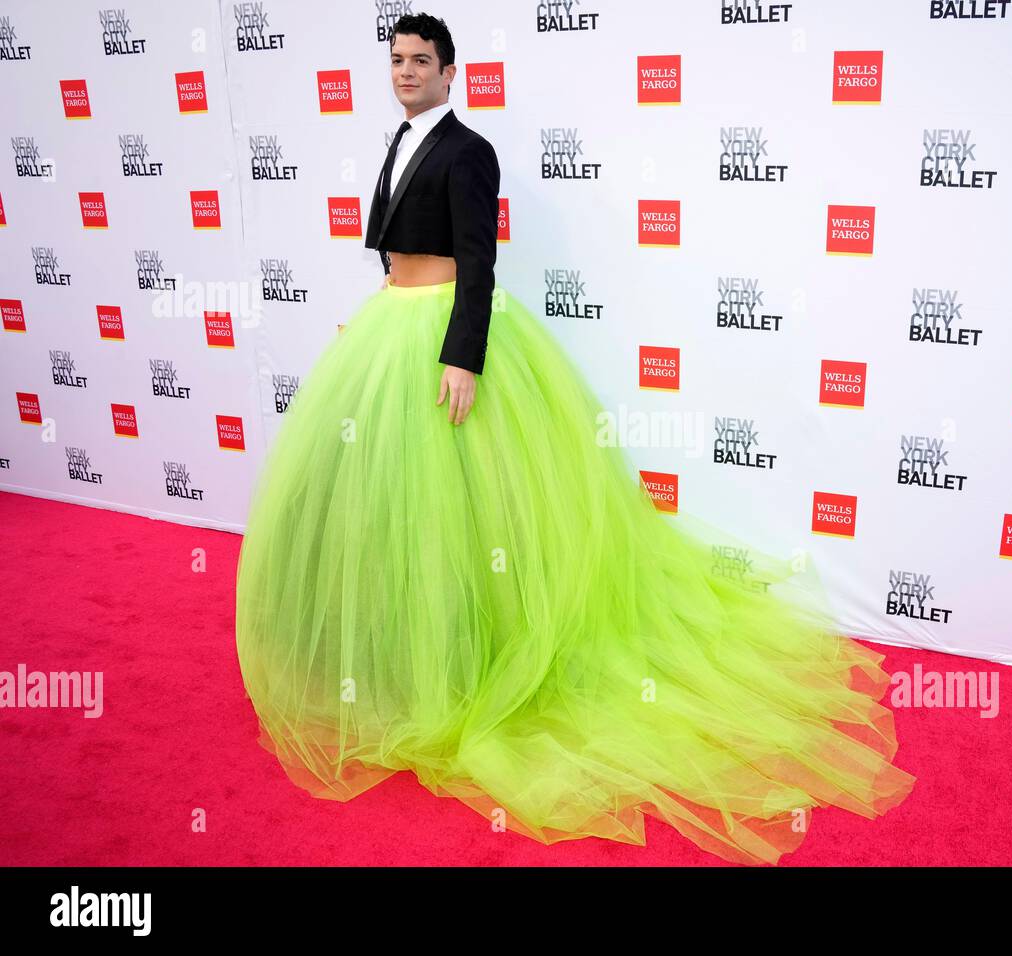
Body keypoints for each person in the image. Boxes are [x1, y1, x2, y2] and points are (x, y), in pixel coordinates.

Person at [234, 12, 916, 867]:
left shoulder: (468, 150)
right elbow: (394, 252)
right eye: (397, 60)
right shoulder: (397, 141)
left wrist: (464, 356)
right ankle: (403, 665)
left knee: (465, 512)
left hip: (447, 336)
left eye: (421, 61)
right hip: (392, 326)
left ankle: (472, 664)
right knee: (395, 514)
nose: (407, 71)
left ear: (451, 71)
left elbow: (478, 259)